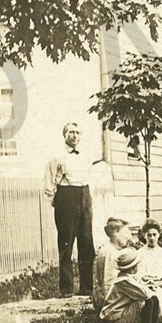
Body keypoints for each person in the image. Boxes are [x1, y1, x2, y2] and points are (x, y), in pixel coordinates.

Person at [43, 122, 94, 296]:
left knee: (87, 241)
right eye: (71, 132)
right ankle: (66, 289)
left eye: (78, 133)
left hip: (84, 194)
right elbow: (49, 182)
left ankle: (87, 287)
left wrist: (85, 198)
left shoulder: (85, 155)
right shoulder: (56, 156)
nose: (74, 136)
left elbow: (87, 175)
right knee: (66, 242)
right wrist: (56, 201)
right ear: (64, 134)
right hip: (66, 196)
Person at [91, 217, 134, 312]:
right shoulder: (110, 252)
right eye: (125, 233)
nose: (128, 237)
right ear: (115, 233)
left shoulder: (110, 249)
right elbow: (108, 283)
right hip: (110, 303)